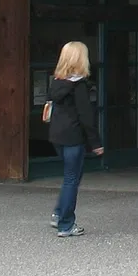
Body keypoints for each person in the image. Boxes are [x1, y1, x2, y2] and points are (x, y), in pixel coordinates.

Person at [46, 41, 103, 237]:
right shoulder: (79, 85)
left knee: (70, 177)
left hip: (57, 135)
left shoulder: (56, 81)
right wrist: (95, 142)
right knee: (72, 179)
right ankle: (66, 224)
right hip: (73, 136)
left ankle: (58, 213)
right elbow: (86, 116)